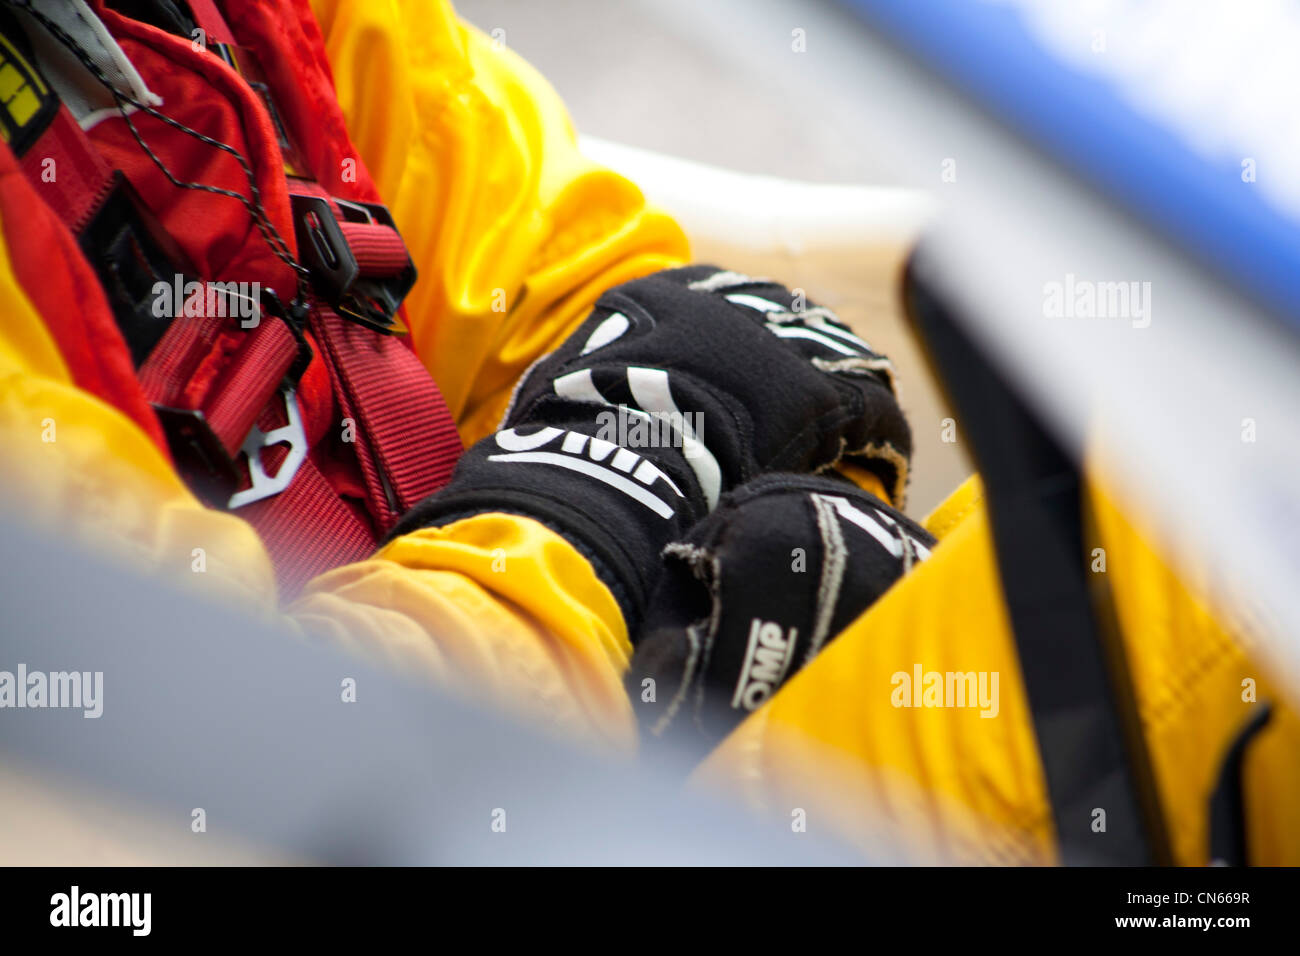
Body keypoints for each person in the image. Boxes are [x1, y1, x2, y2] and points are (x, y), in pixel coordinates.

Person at [2, 0, 1296, 866]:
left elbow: (613, 307)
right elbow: (201, 770)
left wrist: (697, 552)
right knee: (1218, 553)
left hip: (563, 782)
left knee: (1161, 493)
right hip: (406, 815)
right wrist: (596, 519)